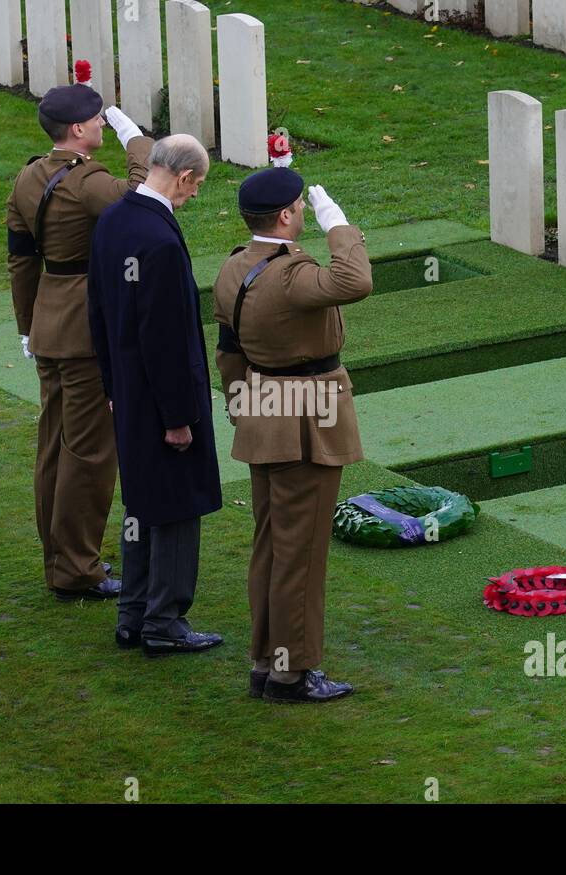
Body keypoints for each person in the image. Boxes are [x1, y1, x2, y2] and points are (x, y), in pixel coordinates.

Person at [212, 167, 373, 704]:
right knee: (300, 552)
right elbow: (354, 283)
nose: (305, 210)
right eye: (302, 205)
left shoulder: (235, 267)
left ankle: (266, 660)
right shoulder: (290, 273)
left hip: (263, 412)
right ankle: (292, 673)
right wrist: (340, 227)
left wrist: (241, 408)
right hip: (305, 418)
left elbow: (230, 353)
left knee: (271, 545)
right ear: (286, 215)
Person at [6, 84, 153, 602]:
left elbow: (21, 259)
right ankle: (76, 567)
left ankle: (59, 556)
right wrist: (136, 140)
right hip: (86, 328)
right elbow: (140, 198)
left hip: (48, 322)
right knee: (89, 455)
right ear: (77, 130)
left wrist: (27, 325)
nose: (101, 126)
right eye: (97, 120)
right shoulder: (87, 179)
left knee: (53, 447)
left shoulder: (27, 176)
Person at [87, 135, 223, 657]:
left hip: (127, 393)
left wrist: (112, 388)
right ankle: (164, 621)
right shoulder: (161, 241)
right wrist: (178, 417)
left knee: (142, 502)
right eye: (198, 185)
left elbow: (97, 313)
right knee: (176, 507)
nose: (194, 195)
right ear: (185, 177)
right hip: (161, 399)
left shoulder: (114, 220)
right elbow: (164, 340)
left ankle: (134, 614)